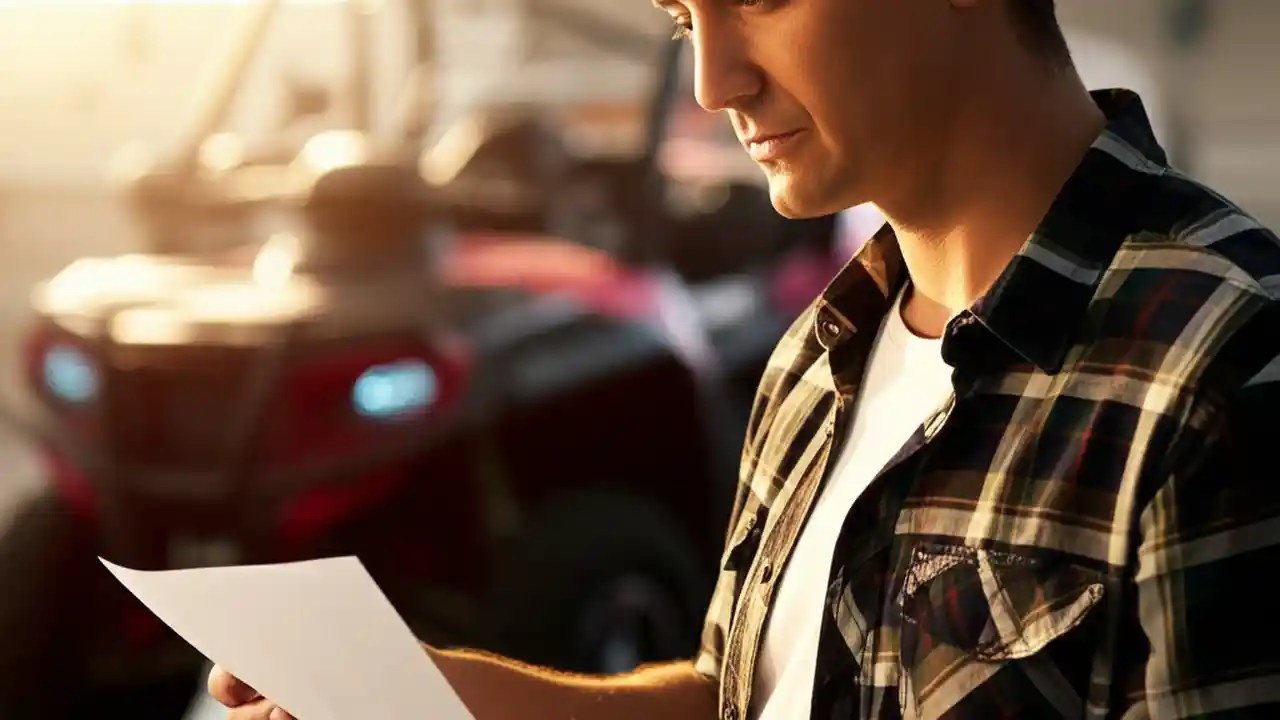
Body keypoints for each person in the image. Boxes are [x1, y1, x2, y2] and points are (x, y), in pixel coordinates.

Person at [211, 1, 1280, 718]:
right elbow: (754, 697)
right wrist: (449, 699)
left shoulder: (1224, 366)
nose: (714, 82)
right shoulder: (822, 354)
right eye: (684, 18)